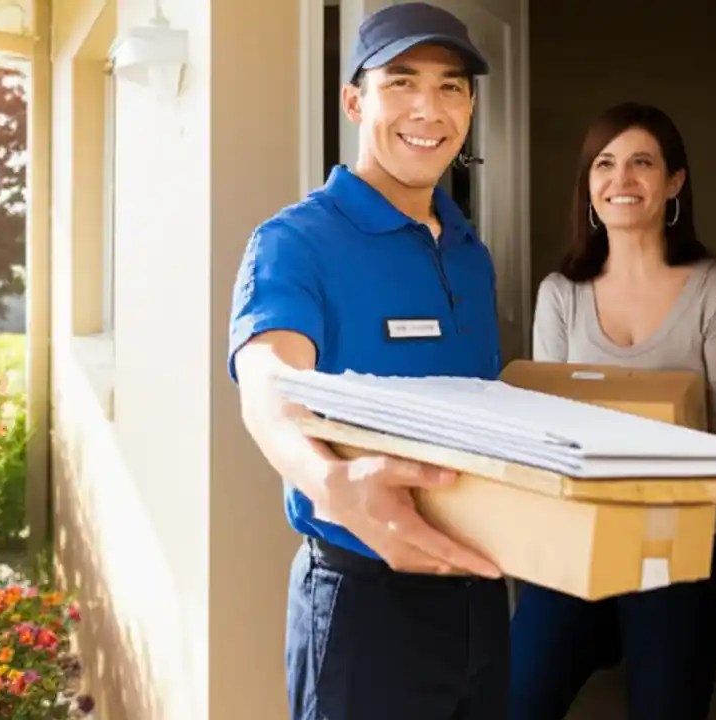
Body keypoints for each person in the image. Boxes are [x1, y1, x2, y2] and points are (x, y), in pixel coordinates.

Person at [226, 4, 512, 719]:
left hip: (481, 595)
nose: (429, 107)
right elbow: (269, 387)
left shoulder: (469, 252)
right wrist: (330, 480)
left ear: (471, 107)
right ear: (355, 101)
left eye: (452, 86)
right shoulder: (296, 241)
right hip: (366, 607)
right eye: (402, 82)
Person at [508, 102, 716, 720]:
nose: (621, 180)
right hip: (583, 530)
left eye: (641, 163)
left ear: (674, 181)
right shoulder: (560, 295)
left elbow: (714, 438)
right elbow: (552, 430)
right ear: (589, 185)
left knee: (664, 703)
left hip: (691, 535)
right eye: (605, 164)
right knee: (517, 697)